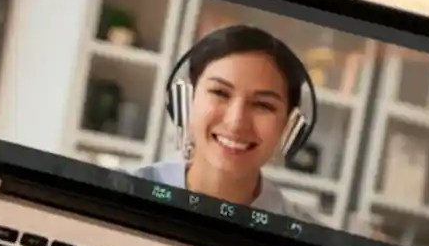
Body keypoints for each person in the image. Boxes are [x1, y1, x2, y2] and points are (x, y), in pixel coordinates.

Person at [135, 25, 316, 221]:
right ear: (188, 99)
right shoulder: (127, 189)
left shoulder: (306, 234)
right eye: (219, 93)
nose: (236, 122)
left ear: (289, 125)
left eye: (263, 105)